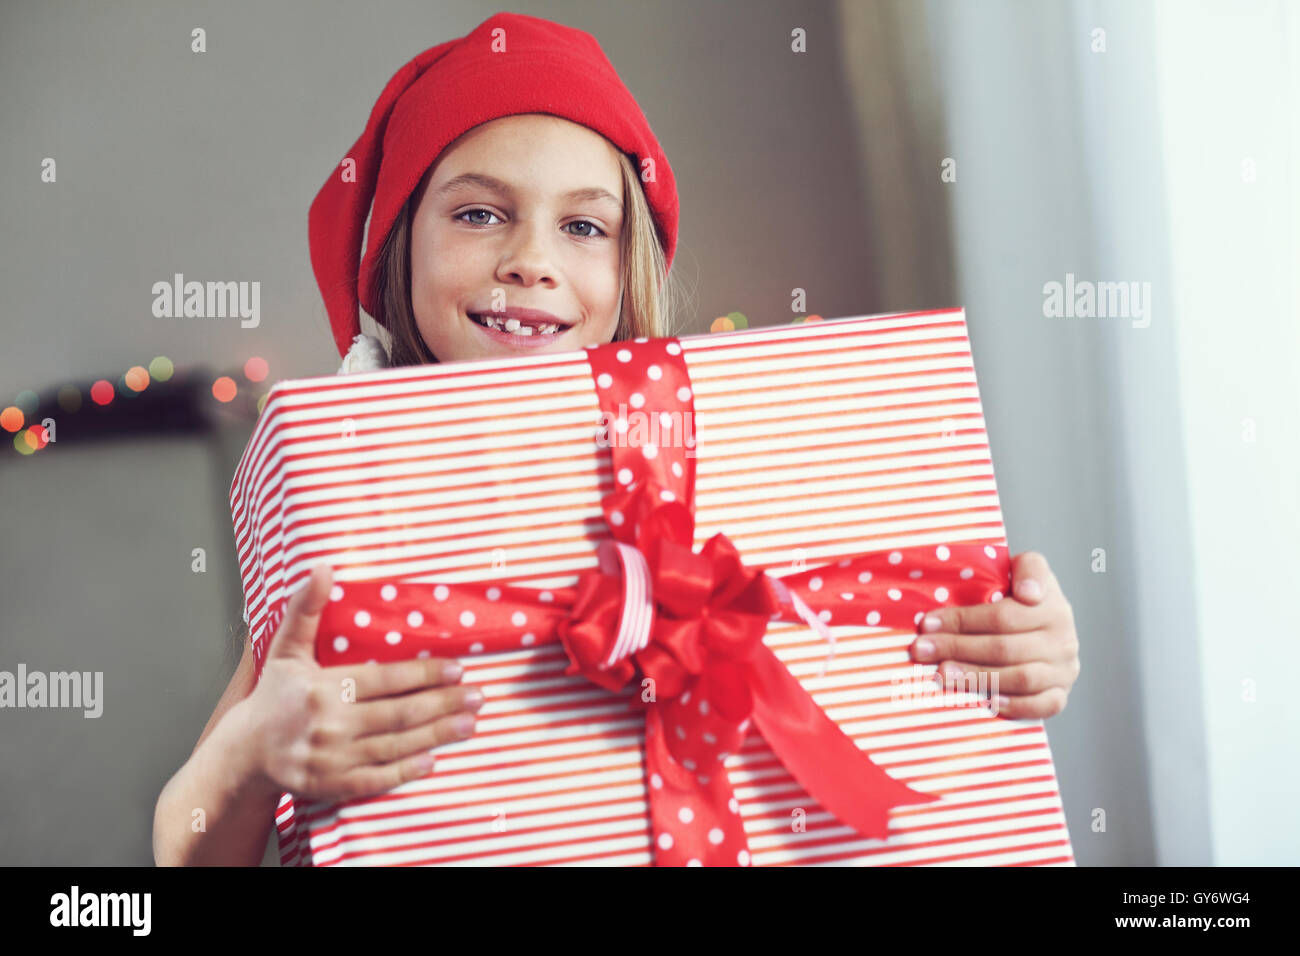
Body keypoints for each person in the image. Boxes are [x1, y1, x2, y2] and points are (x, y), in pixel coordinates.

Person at [153, 11, 1079, 867]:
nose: (532, 260)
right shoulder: (353, 503)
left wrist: (1026, 648)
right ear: (400, 239)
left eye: (584, 226)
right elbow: (182, 849)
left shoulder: (736, 450)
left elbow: (900, 617)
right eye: (479, 213)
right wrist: (253, 756)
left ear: (626, 265)